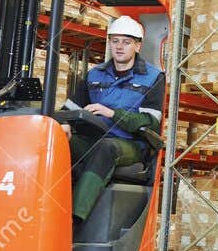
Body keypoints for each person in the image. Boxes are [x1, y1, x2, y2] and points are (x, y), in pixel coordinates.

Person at [66, 15, 164, 222]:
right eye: (115, 41)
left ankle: (73, 219)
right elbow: (69, 107)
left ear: (137, 46)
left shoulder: (153, 78)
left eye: (126, 42)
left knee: (107, 148)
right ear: (109, 43)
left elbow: (150, 122)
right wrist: (63, 124)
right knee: (58, 142)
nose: (120, 47)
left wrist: (112, 113)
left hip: (132, 144)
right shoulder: (95, 75)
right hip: (95, 139)